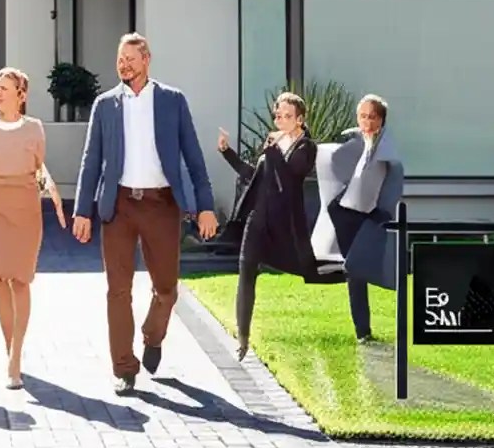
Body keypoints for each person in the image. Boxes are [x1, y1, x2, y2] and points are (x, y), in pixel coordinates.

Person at [72, 32, 217, 395]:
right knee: (117, 290)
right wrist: (82, 210)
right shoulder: (105, 105)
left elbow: (194, 157)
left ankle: (153, 335)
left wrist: (206, 207)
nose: (124, 64)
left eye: (130, 58)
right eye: (120, 59)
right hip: (118, 206)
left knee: (166, 288)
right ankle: (124, 367)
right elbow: (91, 160)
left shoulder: (172, 100)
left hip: (162, 205)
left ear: (147, 59)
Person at [0, 67, 66, 389]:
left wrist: (55, 196)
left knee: (20, 281)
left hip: (26, 210)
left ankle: (16, 357)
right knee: (0, 281)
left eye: (6, 88)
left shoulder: (34, 129)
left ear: (22, 94)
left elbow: (38, 170)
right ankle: (10, 351)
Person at [216, 92, 317, 360]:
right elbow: (255, 176)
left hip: (283, 221)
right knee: (246, 270)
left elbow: (287, 180)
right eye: (278, 115)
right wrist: (227, 152)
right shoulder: (274, 144)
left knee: (303, 268)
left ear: (299, 119)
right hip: (258, 217)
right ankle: (243, 337)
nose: (280, 120)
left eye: (287, 116)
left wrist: (273, 149)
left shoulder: (306, 147)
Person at [311, 94, 404, 343]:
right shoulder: (358, 142)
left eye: (372, 117)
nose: (367, 122)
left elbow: (388, 178)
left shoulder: (385, 149)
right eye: (362, 116)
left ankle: (369, 331)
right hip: (347, 214)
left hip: (371, 218)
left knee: (356, 268)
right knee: (354, 274)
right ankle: (363, 333)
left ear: (382, 120)